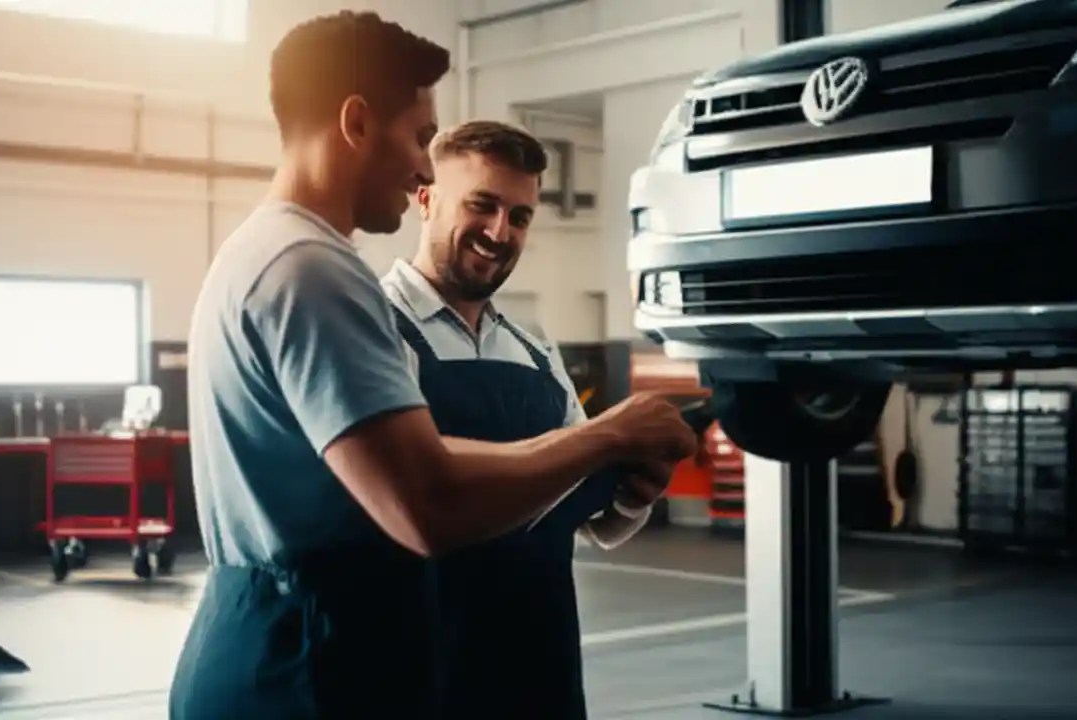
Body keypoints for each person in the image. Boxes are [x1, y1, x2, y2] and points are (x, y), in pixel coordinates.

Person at [167, 11, 696, 720]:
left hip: (288, 649)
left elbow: (579, 511)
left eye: (521, 216)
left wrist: (625, 482)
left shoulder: (258, 252)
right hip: (306, 668)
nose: (422, 161)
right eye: (419, 138)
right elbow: (428, 503)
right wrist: (609, 434)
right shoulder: (316, 269)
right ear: (356, 122)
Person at [380, 120, 669, 720]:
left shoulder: (537, 355)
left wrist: (637, 494)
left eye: (520, 216)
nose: (498, 232)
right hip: (419, 670)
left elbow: (599, 527)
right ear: (426, 196)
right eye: (482, 206)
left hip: (540, 671)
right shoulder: (371, 330)